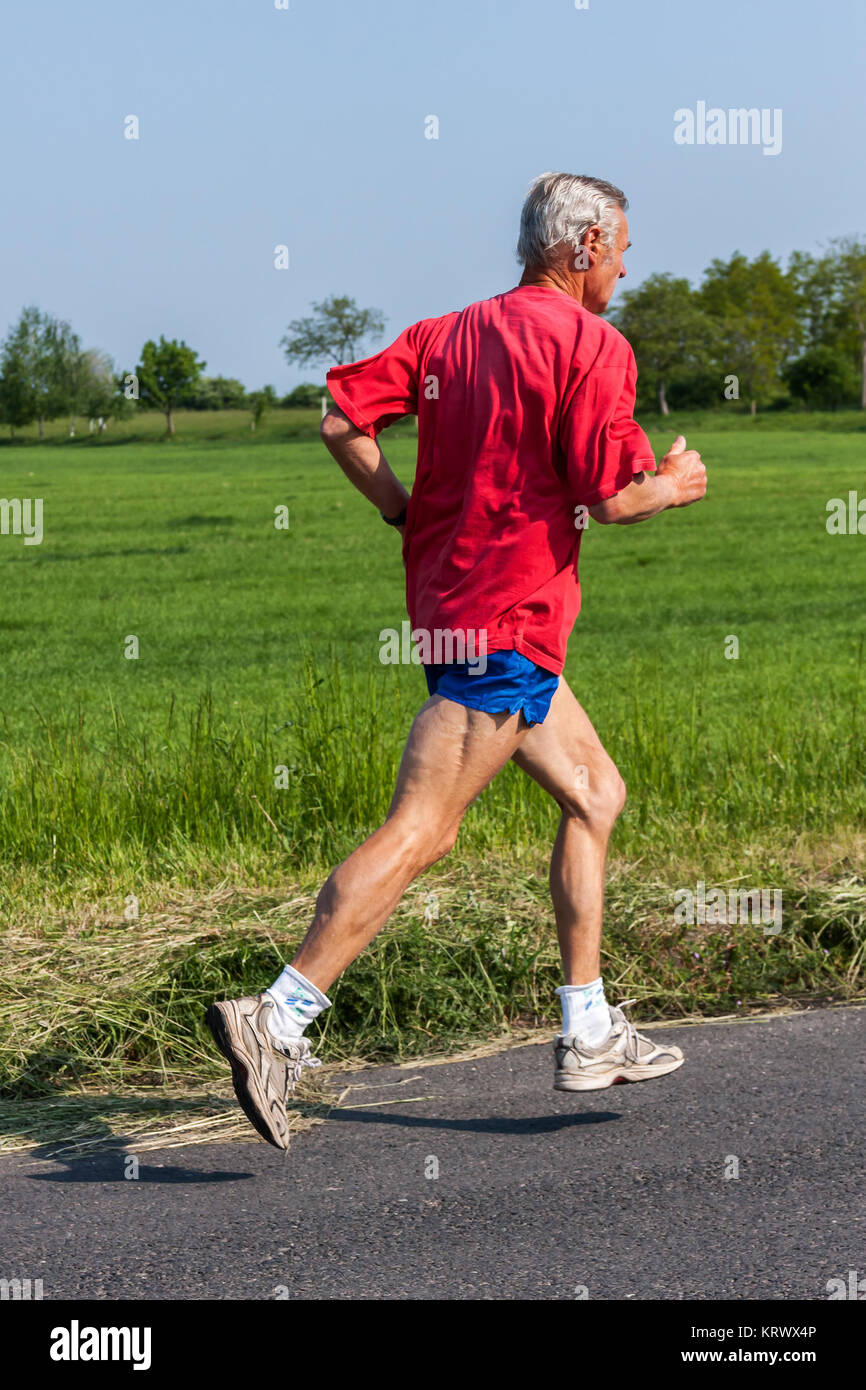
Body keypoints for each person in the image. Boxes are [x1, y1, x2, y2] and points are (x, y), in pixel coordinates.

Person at [206, 171, 707, 1148]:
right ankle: (276, 1017)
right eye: (620, 250)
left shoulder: (445, 335)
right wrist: (678, 484)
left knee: (594, 794)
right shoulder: (591, 344)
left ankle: (585, 1026)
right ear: (584, 244)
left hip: (456, 615)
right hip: (506, 624)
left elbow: (340, 422)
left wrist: (399, 508)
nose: (621, 268)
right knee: (423, 829)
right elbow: (613, 496)